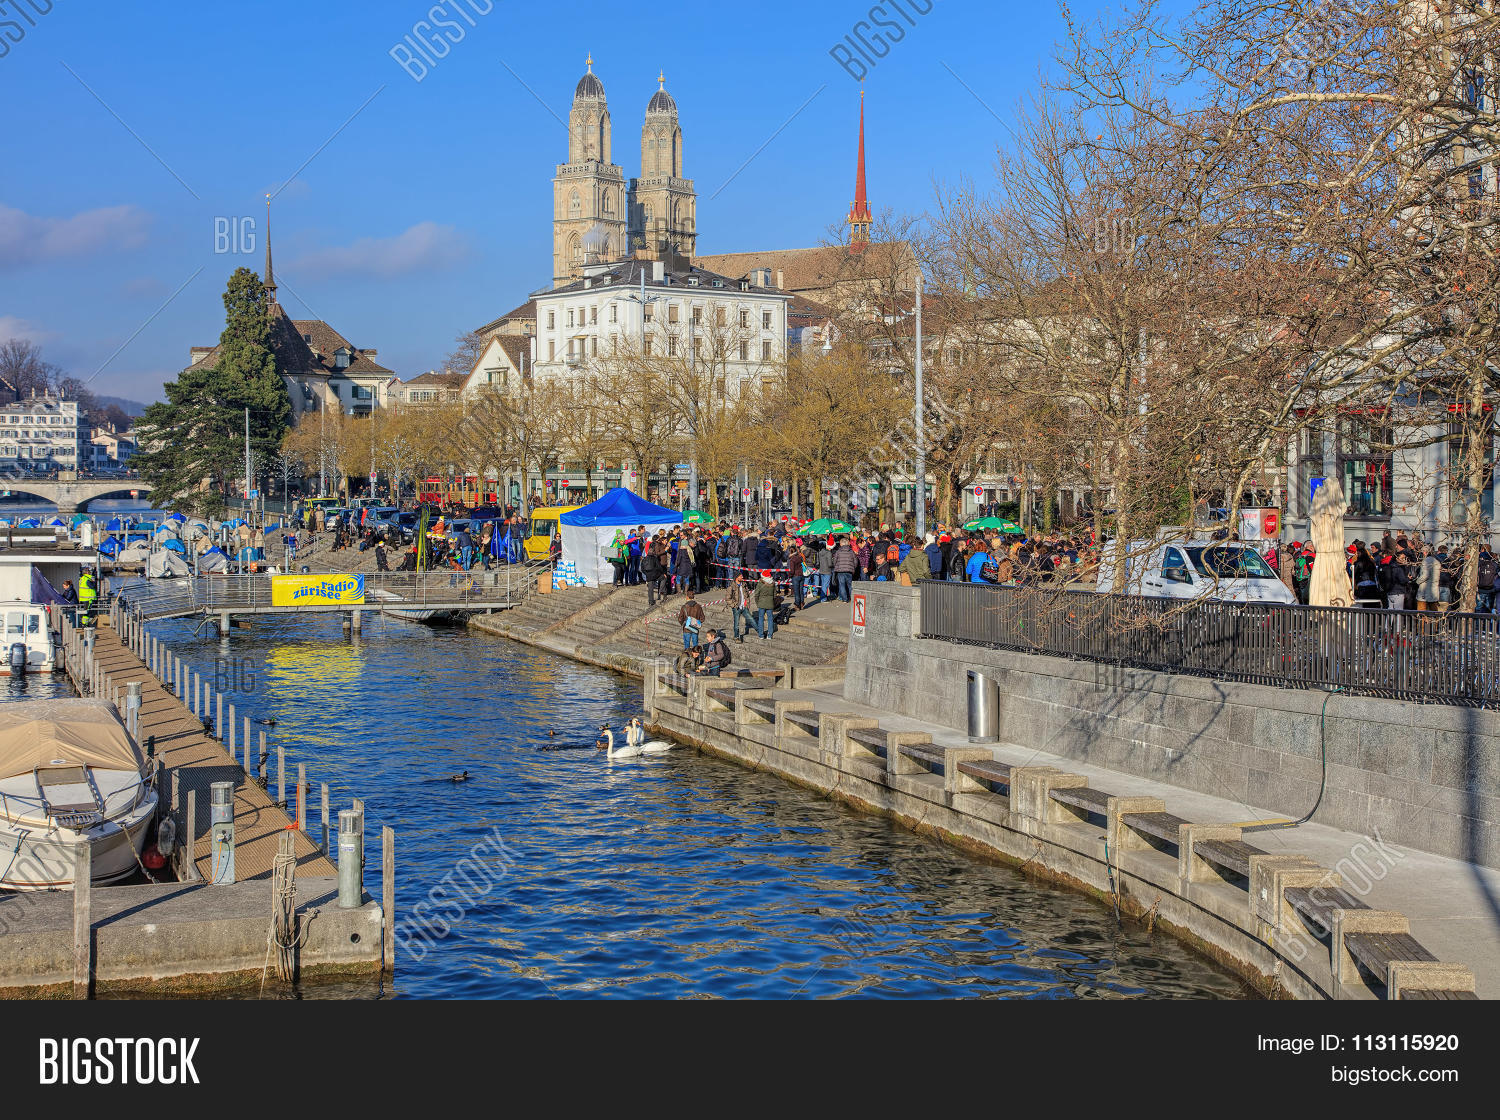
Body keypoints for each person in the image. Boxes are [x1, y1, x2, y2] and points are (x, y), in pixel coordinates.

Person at [753, 569, 778, 638]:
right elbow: (775, 595)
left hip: (761, 603)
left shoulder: (760, 583)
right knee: (770, 619)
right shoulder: (773, 583)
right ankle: (769, 635)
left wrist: (757, 603)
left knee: (761, 619)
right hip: (770, 603)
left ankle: (761, 635)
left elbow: (756, 594)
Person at [832, 536, 857, 602]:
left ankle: (845, 599)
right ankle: (852, 598)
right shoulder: (851, 551)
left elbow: (834, 561)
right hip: (849, 570)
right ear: (848, 543)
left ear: (841, 544)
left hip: (840, 570)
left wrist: (837, 567)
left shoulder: (838, 552)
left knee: (842, 585)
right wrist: (853, 567)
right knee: (850, 585)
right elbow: (855, 561)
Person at [729, 573, 754, 641]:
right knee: (736, 624)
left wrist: (747, 602)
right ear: (737, 577)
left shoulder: (744, 584)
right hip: (736, 607)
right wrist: (733, 605)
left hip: (744, 606)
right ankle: (736, 637)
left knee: (751, 620)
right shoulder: (732, 586)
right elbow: (727, 598)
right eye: (741, 576)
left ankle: (760, 633)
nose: (742, 577)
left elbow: (747, 595)